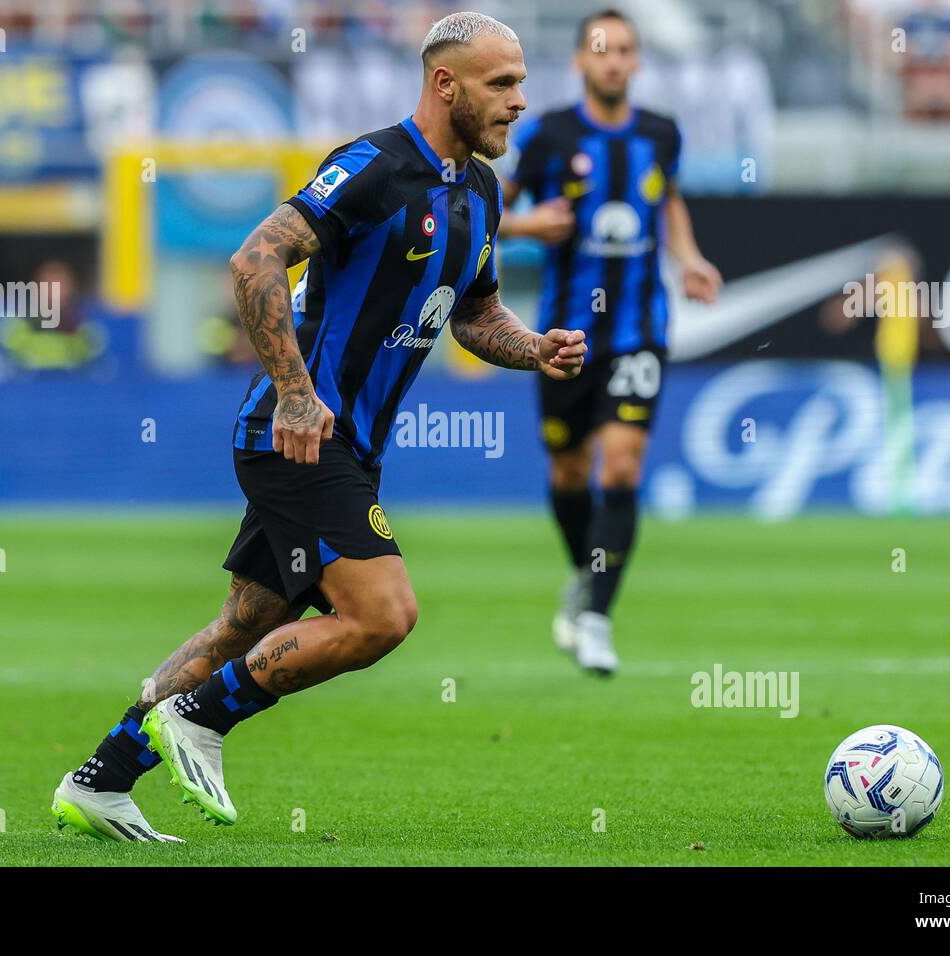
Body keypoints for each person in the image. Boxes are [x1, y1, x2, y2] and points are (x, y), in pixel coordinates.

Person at [50, 10, 587, 841]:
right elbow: (255, 257)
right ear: (446, 84)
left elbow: (474, 317)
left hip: (350, 451)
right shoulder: (373, 166)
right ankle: (199, 719)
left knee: (246, 624)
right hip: (296, 433)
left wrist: (535, 348)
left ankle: (101, 779)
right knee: (383, 616)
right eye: (503, 83)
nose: (521, 100)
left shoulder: (480, 191)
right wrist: (297, 394)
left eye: (520, 82)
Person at [498, 8, 721, 675]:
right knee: (568, 474)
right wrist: (528, 225)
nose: (614, 61)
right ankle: (584, 575)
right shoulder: (545, 136)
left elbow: (669, 201)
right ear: (580, 61)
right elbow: (487, 214)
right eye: (602, 50)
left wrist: (689, 258)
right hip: (564, 335)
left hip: (640, 331)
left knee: (621, 467)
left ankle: (595, 616)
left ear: (636, 60)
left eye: (625, 50)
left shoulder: (660, 134)